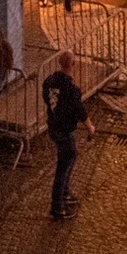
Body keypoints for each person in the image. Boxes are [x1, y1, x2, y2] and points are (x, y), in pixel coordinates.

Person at [42, 53, 96, 220]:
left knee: (70, 156)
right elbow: (79, 109)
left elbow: (47, 99)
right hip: (63, 129)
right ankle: (57, 206)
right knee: (64, 164)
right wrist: (90, 126)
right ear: (72, 64)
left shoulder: (49, 82)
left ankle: (64, 192)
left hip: (54, 126)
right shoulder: (71, 89)